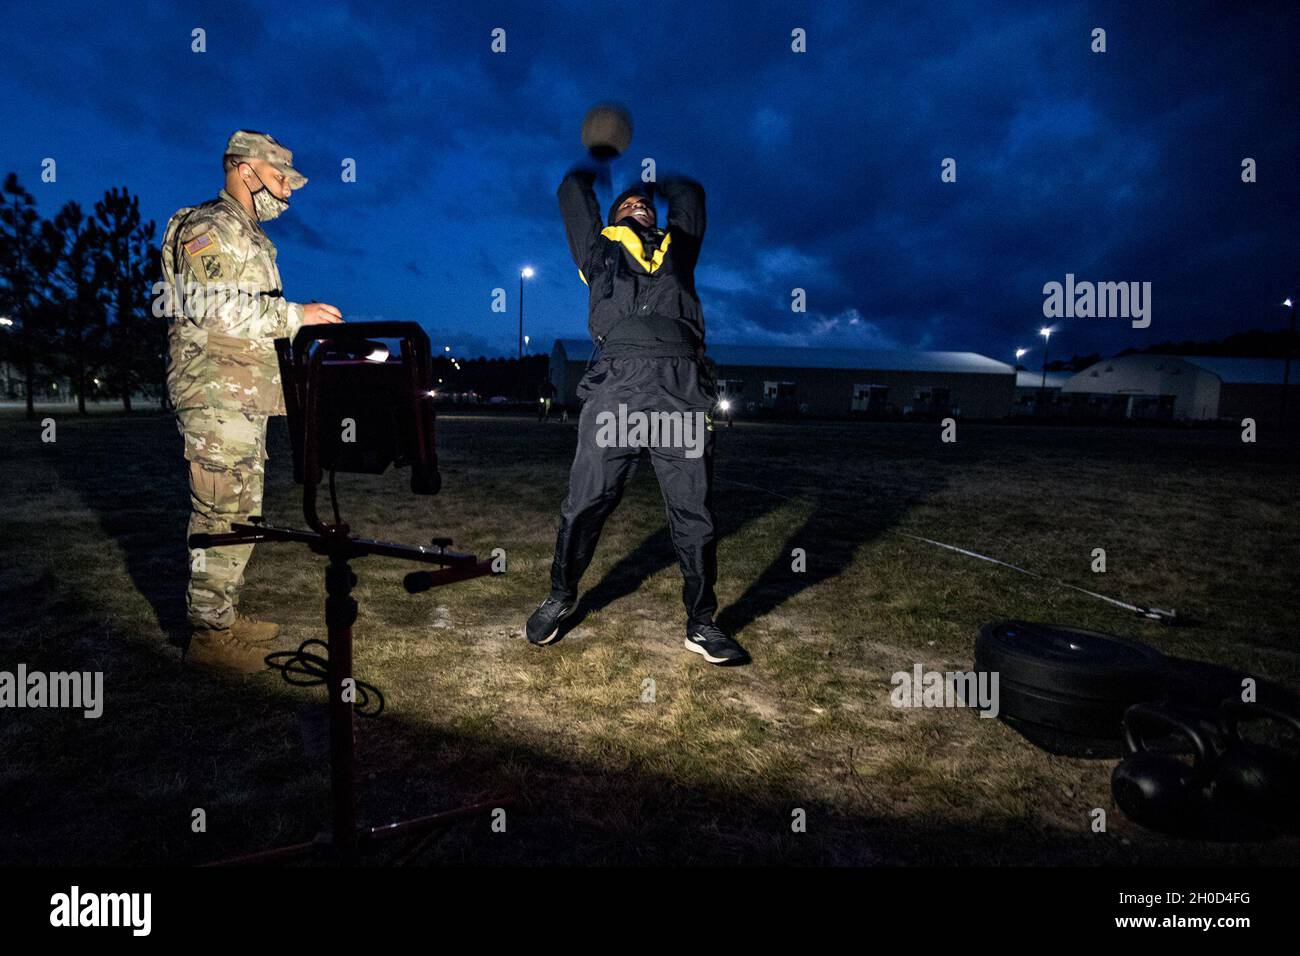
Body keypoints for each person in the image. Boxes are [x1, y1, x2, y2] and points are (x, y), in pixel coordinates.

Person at [525, 164, 748, 665]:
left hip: (678, 389)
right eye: (629, 203)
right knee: (587, 501)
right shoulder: (597, 250)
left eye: (644, 204)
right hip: (618, 389)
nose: (640, 206)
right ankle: (560, 596)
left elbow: (691, 194)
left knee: (695, 512)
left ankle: (702, 623)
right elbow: (570, 193)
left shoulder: (679, 249)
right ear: (613, 214)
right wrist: (592, 163)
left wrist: (660, 182)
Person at [160, 130, 343, 674]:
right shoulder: (208, 227)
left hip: (241, 395)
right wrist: (297, 315)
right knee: (219, 510)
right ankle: (208, 639)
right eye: (281, 176)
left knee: (241, 511)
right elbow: (215, 309)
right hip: (215, 392)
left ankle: (223, 617)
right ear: (246, 169)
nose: (287, 191)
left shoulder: (248, 235)